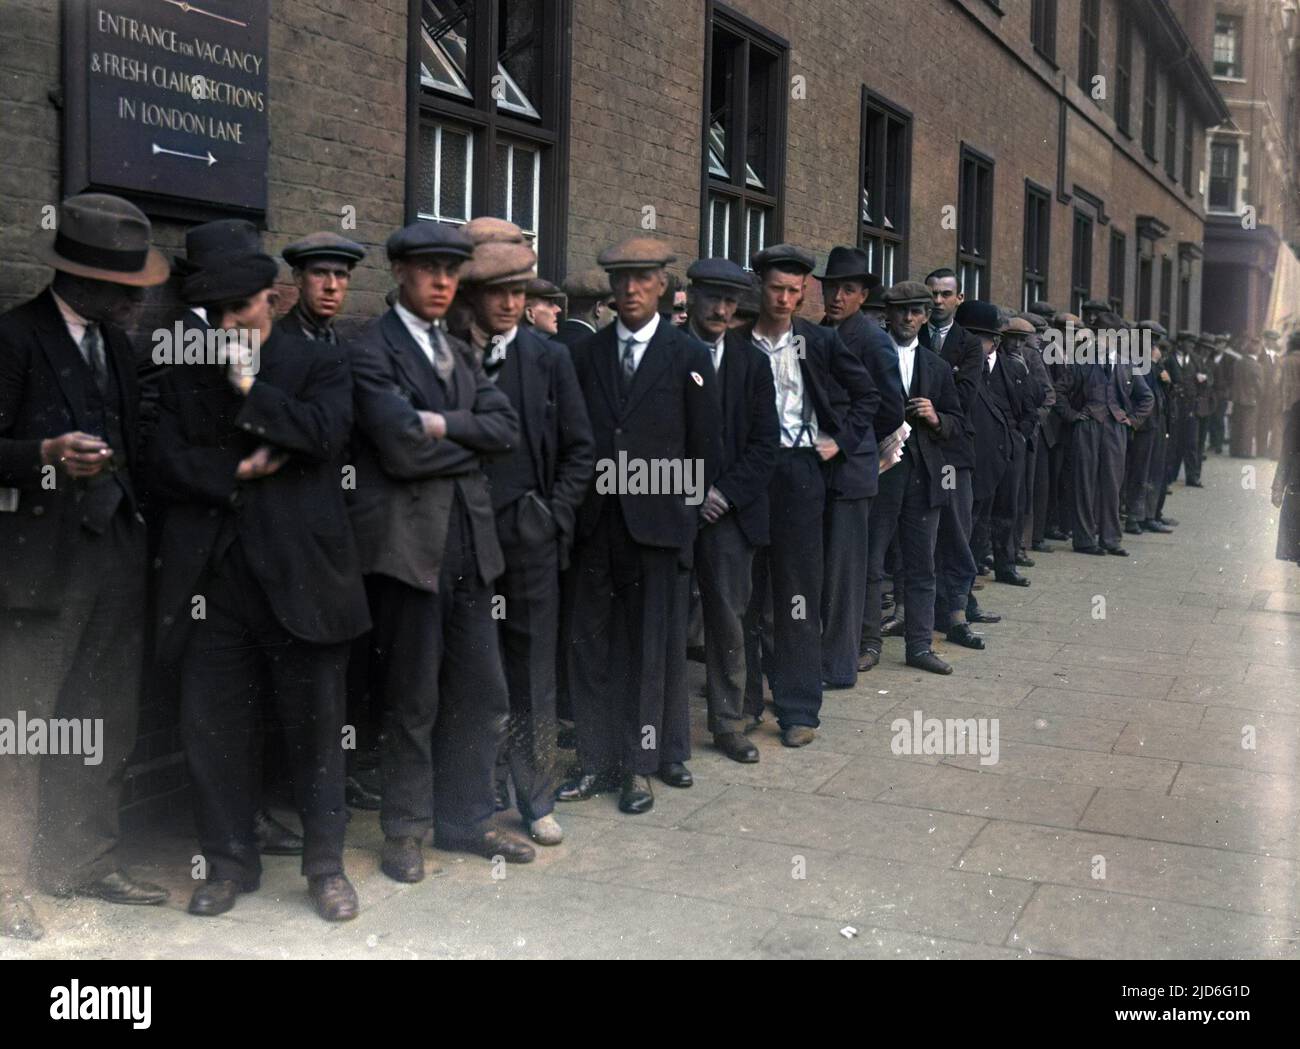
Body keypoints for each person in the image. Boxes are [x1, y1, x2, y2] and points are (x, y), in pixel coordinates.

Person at [150, 246, 371, 922]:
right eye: (217, 314)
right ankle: (227, 863)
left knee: (317, 726)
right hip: (214, 579)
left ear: (272, 299)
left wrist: (252, 390)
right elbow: (161, 459)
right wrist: (235, 473)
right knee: (213, 725)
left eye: (240, 309)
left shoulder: (320, 360)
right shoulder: (189, 365)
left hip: (301, 574)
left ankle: (326, 866)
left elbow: (327, 434)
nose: (229, 325)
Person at [0, 193, 171, 941]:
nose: (140, 299)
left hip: (115, 557)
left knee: (103, 717)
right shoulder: (14, 340)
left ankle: (80, 859)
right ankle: (6, 885)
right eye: (128, 288)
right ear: (85, 279)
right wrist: (41, 454)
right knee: (22, 726)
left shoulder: (118, 346)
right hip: (38, 571)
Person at [347, 220, 532, 884]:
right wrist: (463, 438)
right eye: (429, 269)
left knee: (481, 691)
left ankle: (466, 818)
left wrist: (440, 425)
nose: (442, 282)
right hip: (407, 548)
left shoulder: (457, 347)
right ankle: (404, 829)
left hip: (470, 546)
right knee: (412, 697)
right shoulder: (370, 347)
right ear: (399, 272)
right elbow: (397, 444)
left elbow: (505, 429)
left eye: (452, 272)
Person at [559, 237, 721, 812]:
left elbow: (704, 447)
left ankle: (638, 766)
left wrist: (681, 519)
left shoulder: (687, 356)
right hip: (597, 523)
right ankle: (594, 762)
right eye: (621, 279)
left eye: (642, 279)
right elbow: (573, 440)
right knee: (591, 645)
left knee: (649, 649)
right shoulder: (586, 354)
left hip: (655, 526)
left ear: (663, 287)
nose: (629, 289)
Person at [455, 235, 594, 845]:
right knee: (471, 670)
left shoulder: (549, 357)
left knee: (534, 669)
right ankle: (474, 793)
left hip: (528, 535)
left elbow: (580, 449)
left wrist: (551, 515)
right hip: (462, 536)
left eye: (520, 291)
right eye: (498, 293)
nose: (510, 303)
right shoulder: (450, 355)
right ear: (475, 296)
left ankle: (535, 799)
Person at [741, 244, 877, 743]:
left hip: (801, 473)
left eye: (794, 290)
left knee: (798, 593)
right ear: (760, 287)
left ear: (803, 295)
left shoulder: (817, 342)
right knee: (746, 592)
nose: (783, 298)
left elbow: (869, 396)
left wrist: (837, 441)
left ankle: (798, 709)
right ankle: (746, 703)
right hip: (749, 476)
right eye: (775, 288)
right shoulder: (738, 342)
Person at [684, 258, 778, 764]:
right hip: (671, 507)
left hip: (728, 514)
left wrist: (722, 495)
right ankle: (661, 732)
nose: (721, 309)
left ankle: (727, 722)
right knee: (661, 619)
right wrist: (689, 492)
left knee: (728, 619)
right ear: (692, 299)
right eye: (711, 299)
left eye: (729, 301)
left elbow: (766, 445)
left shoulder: (751, 363)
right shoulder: (668, 354)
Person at [860, 281, 964, 676]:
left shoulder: (936, 367)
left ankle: (919, 647)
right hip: (881, 475)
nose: (909, 318)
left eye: (917, 311)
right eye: (901, 310)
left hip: (923, 479)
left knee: (921, 566)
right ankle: (868, 645)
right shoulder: (870, 357)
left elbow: (958, 423)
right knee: (871, 564)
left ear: (926, 315)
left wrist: (937, 418)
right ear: (888, 314)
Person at [816, 247, 904, 688]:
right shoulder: (818, 333)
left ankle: (838, 665)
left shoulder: (871, 340)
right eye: (830, 287)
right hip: (817, 471)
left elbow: (890, 410)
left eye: (847, 290)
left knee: (844, 574)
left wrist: (847, 441)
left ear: (862, 294)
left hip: (850, 473)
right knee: (819, 570)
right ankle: (818, 657)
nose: (836, 297)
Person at [919, 270, 998, 651]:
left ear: (958, 298)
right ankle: (912, 612)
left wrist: (930, 391)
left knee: (956, 532)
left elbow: (963, 398)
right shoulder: (914, 334)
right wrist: (943, 381)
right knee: (917, 534)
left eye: (945, 294)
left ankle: (956, 613)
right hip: (913, 450)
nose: (937, 301)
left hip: (951, 455)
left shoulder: (969, 344)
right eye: (932, 294)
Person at [1059, 314, 1153, 555]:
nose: (1104, 340)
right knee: (1084, 483)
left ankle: (1111, 539)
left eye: (1109, 336)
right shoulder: (1080, 362)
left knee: (1112, 484)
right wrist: (1072, 415)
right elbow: (1059, 392)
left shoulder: (1127, 364)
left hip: (1115, 429)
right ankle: (1084, 540)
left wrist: (1132, 421)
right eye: (1100, 335)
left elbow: (1146, 397)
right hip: (1087, 425)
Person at [278, 232, 367, 343]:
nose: (331, 286)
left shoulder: (347, 346)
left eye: (340, 274)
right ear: (299, 278)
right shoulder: (269, 341)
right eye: (319, 273)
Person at [555, 268, 615, 349]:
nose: (615, 315)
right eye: (612, 307)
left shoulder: (548, 342)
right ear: (599, 308)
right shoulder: (597, 349)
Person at [1230, 339, 1262, 458]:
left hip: (1237, 398)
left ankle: (1234, 450)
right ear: (1256, 351)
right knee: (1248, 427)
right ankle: (1245, 452)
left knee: (1237, 425)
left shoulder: (1238, 363)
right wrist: (1259, 395)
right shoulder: (1257, 366)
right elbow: (1259, 385)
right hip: (1250, 399)